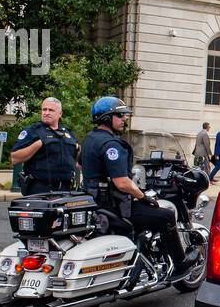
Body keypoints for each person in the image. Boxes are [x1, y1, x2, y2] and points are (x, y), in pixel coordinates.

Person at [80, 96, 198, 280]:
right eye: (120, 115)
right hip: (116, 208)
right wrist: (143, 197)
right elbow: (122, 183)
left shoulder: (89, 139)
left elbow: (81, 165)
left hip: (95, 203)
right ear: (106, 118)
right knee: (165, 215)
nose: (124, 119)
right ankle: (181, 266)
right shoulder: (111, 144)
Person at [10, 97, 79, 195]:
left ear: (60, 114)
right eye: (44, 109)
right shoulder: (33, 131)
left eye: (51, 110)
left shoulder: (68, 133)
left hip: (66, 189)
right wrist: (38, 144)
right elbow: (15, 158)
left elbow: (76, 161)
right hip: (40, 189)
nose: (46, 113)